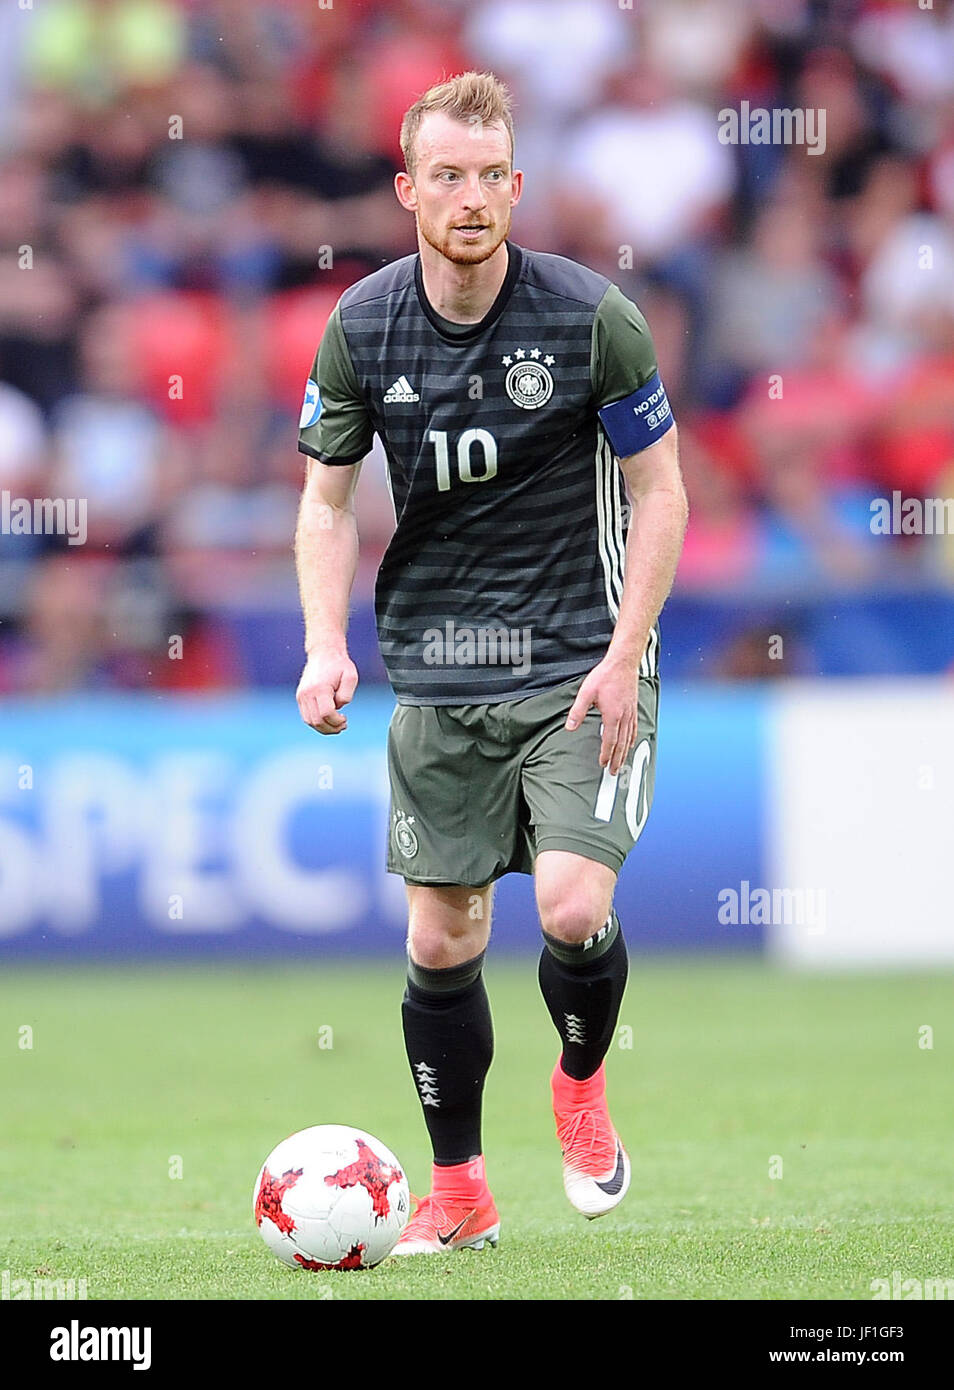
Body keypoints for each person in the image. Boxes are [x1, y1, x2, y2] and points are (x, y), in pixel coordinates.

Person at [295, 71, 687, 1255]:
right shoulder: (362, 327)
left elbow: (662, 492)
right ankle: (460, 1193)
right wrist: (324, 644)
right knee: (439, 941)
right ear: (408, 189)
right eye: (446, 176)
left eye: (489, 177)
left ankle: (580, 1082)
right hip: (439, 673)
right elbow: (326, 503)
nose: (470, 198)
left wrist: (626, 654)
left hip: (580, 664)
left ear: (516, 187)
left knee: (571, 905)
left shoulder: (592, 318)